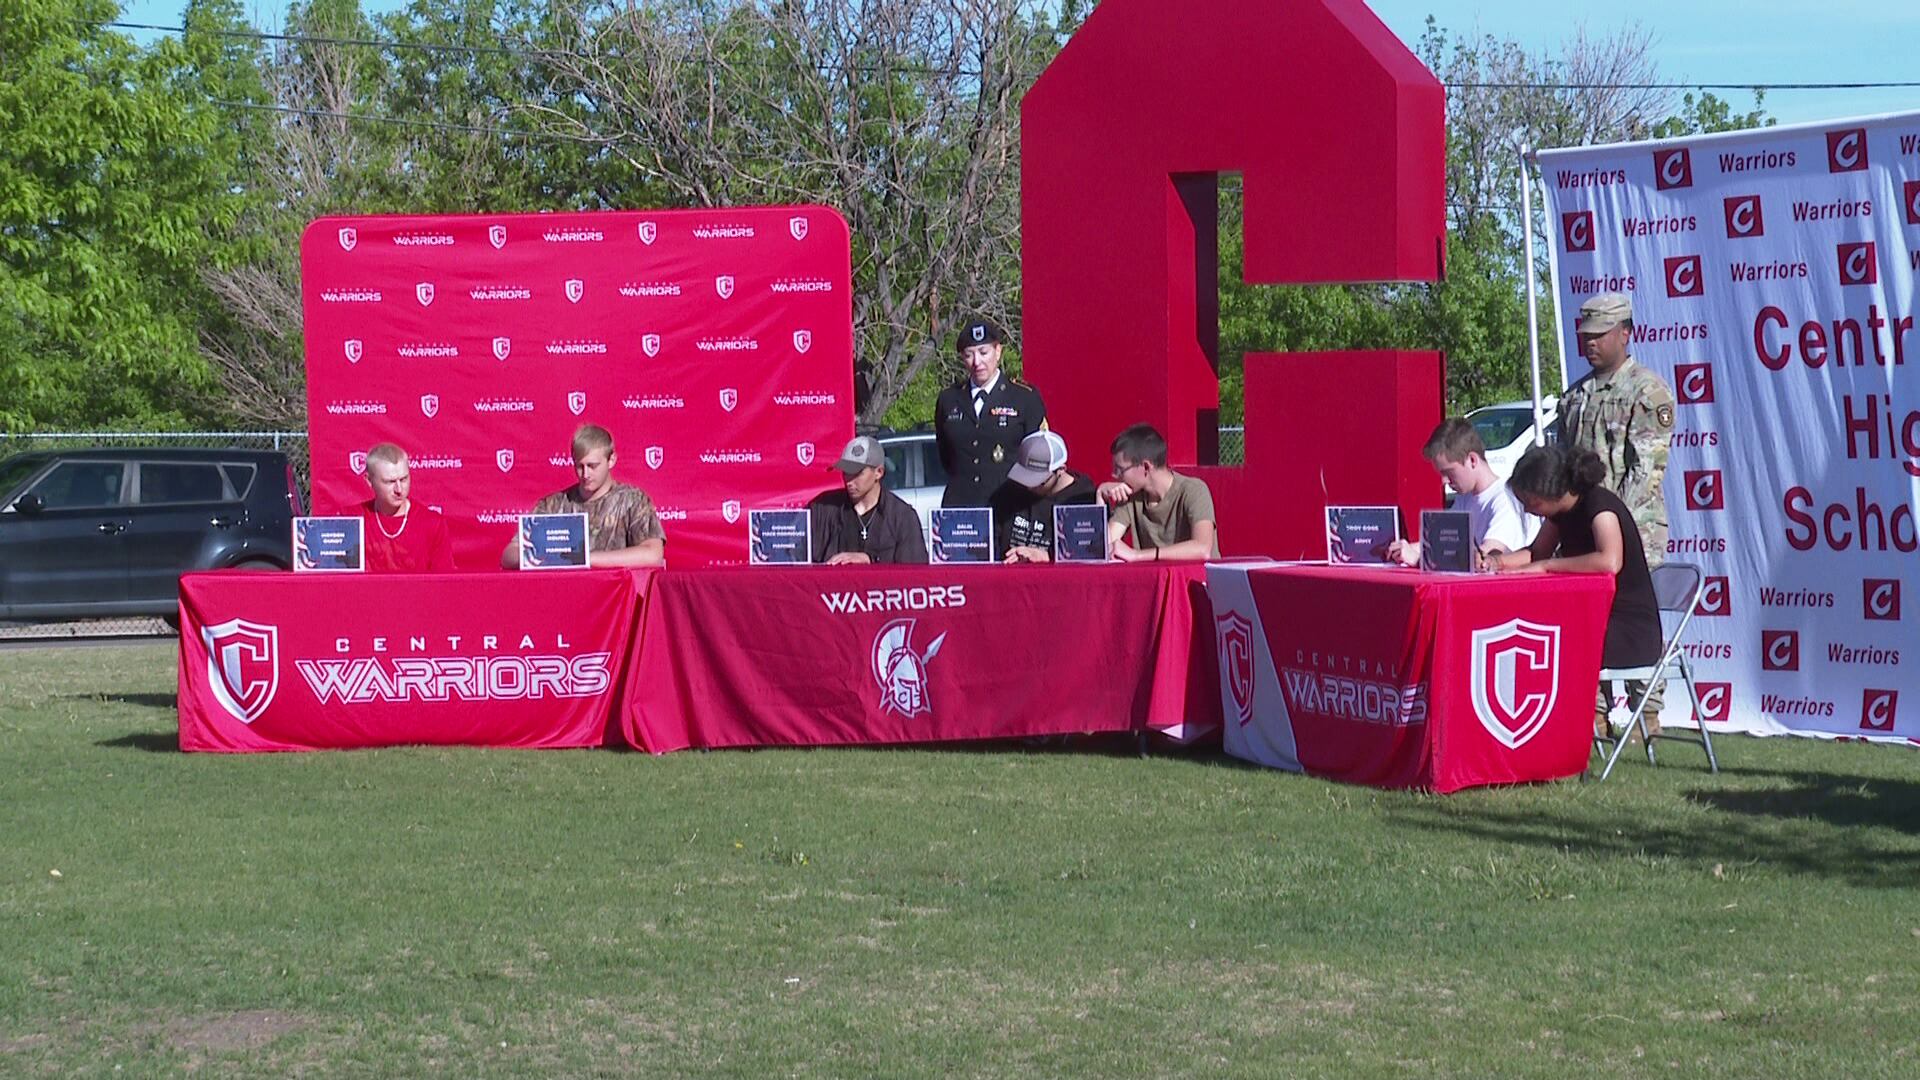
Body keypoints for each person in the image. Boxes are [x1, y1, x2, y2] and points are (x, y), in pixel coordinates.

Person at [1488, 444, 1664, 739]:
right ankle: (1584, 720)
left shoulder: (1600, 507)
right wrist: (1496, 562)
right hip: (1595, 621)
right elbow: (1536, 552)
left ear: (1550, 493)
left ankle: (1585, 719)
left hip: (1630, 631)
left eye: (1530, 502)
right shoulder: (1560, 515)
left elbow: (1609, 560)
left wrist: (1548, 567)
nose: (1528, 510)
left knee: (1557, 642)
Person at [1559, 292, 1674, 566]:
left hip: (1632, 531)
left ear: (1625, 334)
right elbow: (1563, 465)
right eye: (1587, 336)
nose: (1591, 342)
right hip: (1582, 534)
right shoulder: (1574, 396)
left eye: (1600, 334)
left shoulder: (1647, 391)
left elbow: (1646, 471)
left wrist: (1609, 518)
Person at [500, 424, 665, 568]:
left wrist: (584, 559)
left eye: (593, 466)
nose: (585, 474)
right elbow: (509, 555)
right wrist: (547, 558)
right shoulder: (553, 505)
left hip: (616, 599)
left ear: (611, 460)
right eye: (580, 466)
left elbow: (653, 554)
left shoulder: (633, 501)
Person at [1387, 418, 1539, 569]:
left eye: (1449, 472)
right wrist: (1403, 549)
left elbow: (1484, 559)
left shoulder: (1505, 499)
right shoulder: (1464, 498)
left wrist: (1419, 559)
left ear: (1472, 460)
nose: (1444, 481)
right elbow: (1439, 544)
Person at [933, 317, 1047, 508]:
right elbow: (946, 456)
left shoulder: (1024, 398)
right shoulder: (949, 399)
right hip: (962, 508)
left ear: (998, 351)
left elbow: (1038, 455)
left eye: (984, 352)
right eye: (969, 355)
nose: (977, 362)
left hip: (1009, 506)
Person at [1098, 423, 1219, 561]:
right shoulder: (1131, 497)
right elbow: (1104, 548)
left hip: (1198, 579)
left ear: (1146, 467)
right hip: (1157, 580)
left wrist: (1137, 556)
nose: (1114, 475)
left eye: (1120, 469)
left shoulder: (1194, 490)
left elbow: (1202, 549)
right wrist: (1100, 498)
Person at [808, 435, 928, 564]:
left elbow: (914, 572)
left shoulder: (902, 516)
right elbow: (794, 556)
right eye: (846, 472)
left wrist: (871, 560)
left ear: (879, 472)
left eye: (857, 473)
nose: (849, 480)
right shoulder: (822, 509)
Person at [990, 430, 1098, 562]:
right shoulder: (1009, 491)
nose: (1029, 486)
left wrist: (1047, 556)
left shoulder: (1083, 499)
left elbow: (1088, 551)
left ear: (1060, 470)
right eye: (1024, 476)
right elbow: (990, 539)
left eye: (1039, 481)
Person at [354, 443, 455, 572]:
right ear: (369, 481)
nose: (399, 489)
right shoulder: (352, 520)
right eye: (390, 482)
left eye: (403, 479)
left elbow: (444, 582)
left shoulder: (432, 523)